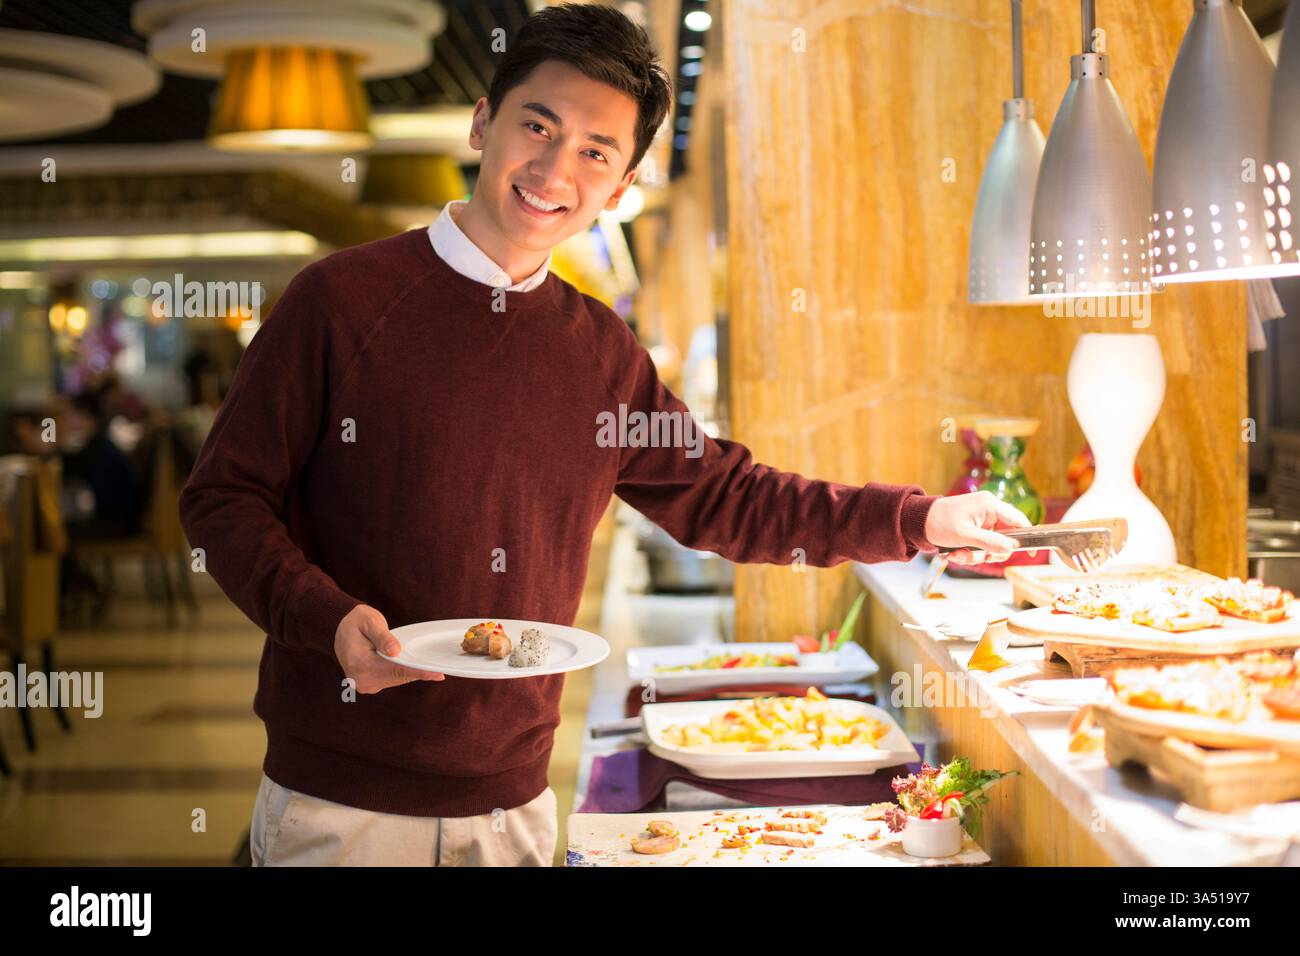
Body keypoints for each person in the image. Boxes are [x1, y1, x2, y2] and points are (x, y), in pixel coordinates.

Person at [178, 3, 1028, 867]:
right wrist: (323, 619)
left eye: (595, 151)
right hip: (340, 801)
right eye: (536, 126)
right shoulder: (338, 301)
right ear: (483, 121)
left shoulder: (601, 353)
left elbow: (729, 498)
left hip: (512, 801)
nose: (554, 168)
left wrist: (919, 522)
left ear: (621, 188)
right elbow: (222, 498)